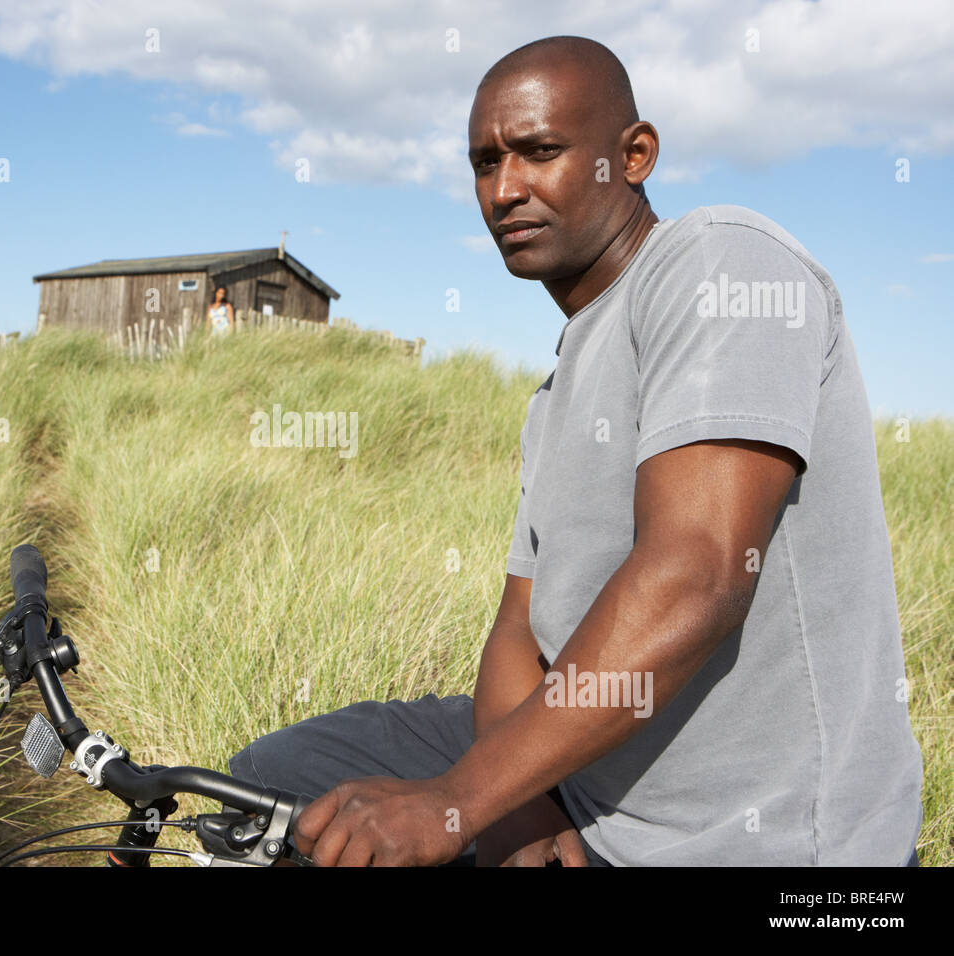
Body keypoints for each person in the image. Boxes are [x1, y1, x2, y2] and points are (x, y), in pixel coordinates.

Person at [226, 35, 924, 867]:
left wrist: (457, 801)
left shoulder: (719, 264)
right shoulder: (555, 393)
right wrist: (515, 812)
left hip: (742, 842)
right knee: (273, 782)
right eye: (484, 164)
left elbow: (697, 572)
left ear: (633, 156)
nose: (505, 189)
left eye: (540, 152)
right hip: (584, 777)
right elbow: (521, 627)